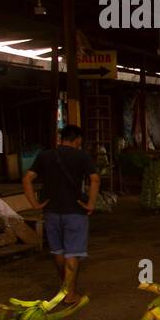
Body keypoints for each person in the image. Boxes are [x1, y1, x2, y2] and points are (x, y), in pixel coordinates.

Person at [23, 124, 99, 301]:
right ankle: (70, 293)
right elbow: (94, 179)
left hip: (51, 211)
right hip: (75, 210)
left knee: (58, 251)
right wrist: (91, 203)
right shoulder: (82, 156)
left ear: (61, 138)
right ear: (77, 140)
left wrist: (34, 203)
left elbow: (27, 179)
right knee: (72, 253)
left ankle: (65, 289)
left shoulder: (45, 155)